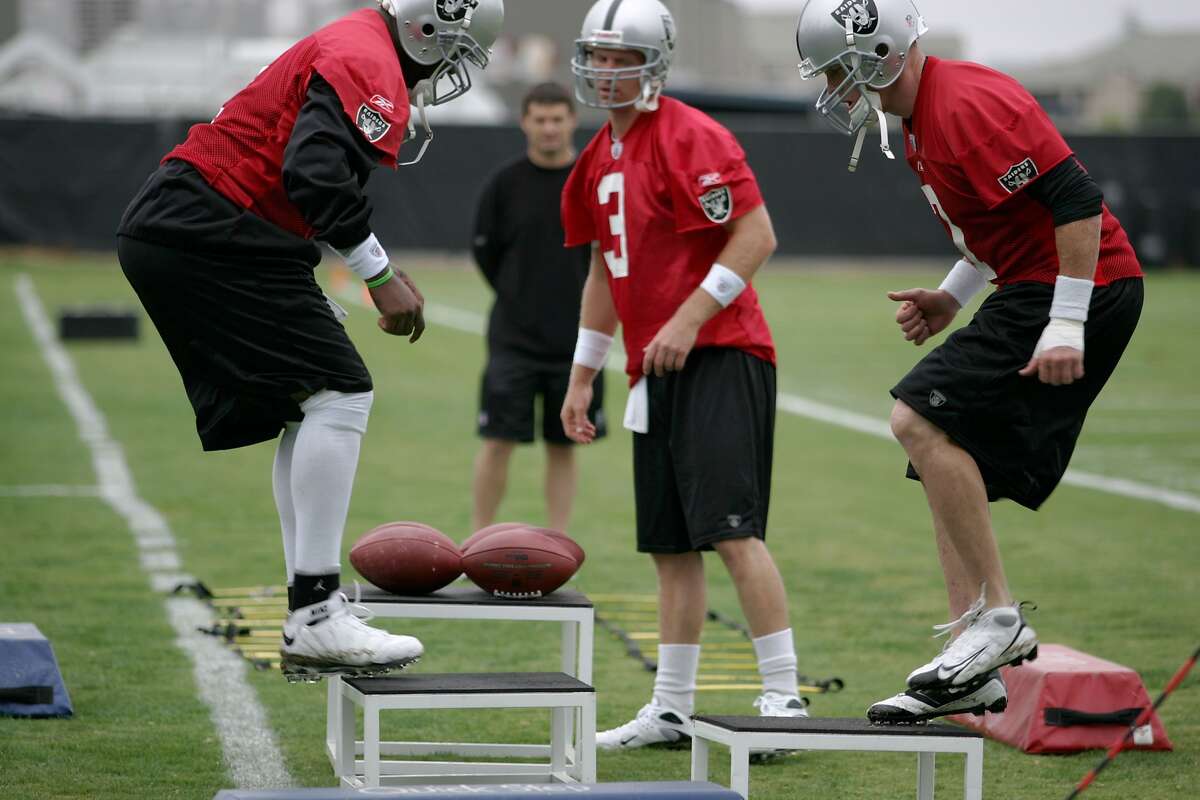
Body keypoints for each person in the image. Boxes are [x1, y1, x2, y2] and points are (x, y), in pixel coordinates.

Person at [116, 0, 504, 682]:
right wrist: (376, 275)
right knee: (343, 389)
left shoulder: (359, 38)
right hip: (207, 227)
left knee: (312, 396)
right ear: (430, 28)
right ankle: (316, 613)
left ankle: (311, 607)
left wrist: (355, 267)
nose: (449, 70)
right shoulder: (369, 58)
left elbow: (296, 179)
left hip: (208, 225)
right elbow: (315, 174)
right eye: (456, 51)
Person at [794, 0, 1143, 723]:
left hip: (1081, 284)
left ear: (882, 51)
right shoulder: (922, 119)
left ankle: (997, 622)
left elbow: (1076, 202)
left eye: (838, 72)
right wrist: (954, 297)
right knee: (939, 451)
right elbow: (997, 229)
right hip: (1036, 281)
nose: (834, 90)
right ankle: (969, 662)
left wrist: (1067, 324)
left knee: (915, 417)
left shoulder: (965, 104)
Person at [560, 0, 811, 750]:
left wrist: (690, 318)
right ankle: (671, 707)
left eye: (620, 58)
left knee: (733, 533)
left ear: (654, 63)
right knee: (670, 545)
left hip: (721, 354)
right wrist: (582, 377)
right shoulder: (595, 158)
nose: (606, 71)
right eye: (597, 57)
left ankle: (783, 699)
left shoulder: (690, 135)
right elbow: (605, 272)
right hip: (653, 367)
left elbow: (756, 234)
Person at [471, 82, 606, 535]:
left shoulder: (594, 180)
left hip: (579, 342)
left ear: (572, 121)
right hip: (514, 338)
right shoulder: (503, 185)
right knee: (497, 440)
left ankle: (559, 543)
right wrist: (517, 295)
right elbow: (485, 253)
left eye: (557, 118)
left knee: (564, 442)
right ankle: (477, 538)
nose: (549, 128)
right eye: (540, 119)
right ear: (525, 122)